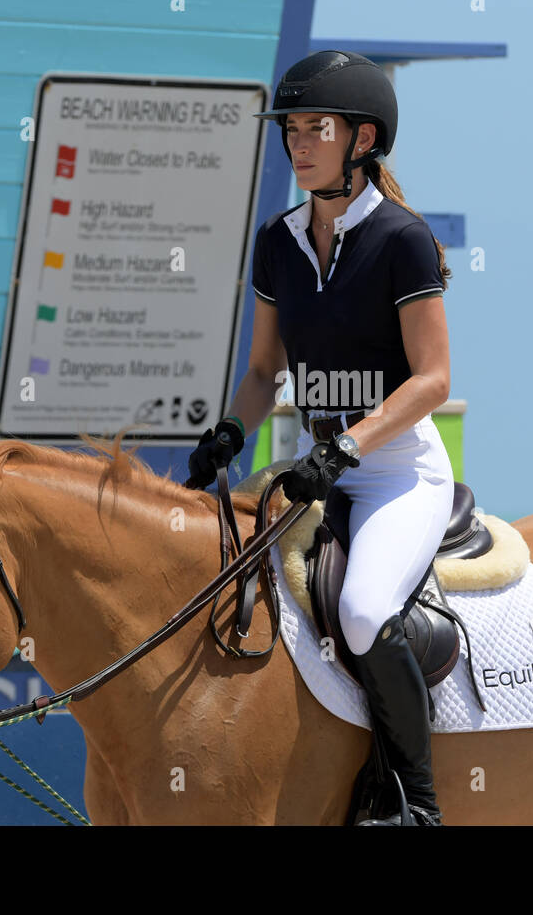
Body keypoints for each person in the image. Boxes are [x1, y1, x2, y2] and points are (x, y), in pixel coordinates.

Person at [186, 50, 455, 826]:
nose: (299, 145)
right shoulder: (278, 241)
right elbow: (266, 367)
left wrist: (346, 447)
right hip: (310, 470)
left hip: (396, 473)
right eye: (292, 131)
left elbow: (431, 380)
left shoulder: (401, 239)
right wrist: (231, 430)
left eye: (317, 130)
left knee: (367, 610)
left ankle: (420, 804)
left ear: (362, 139)